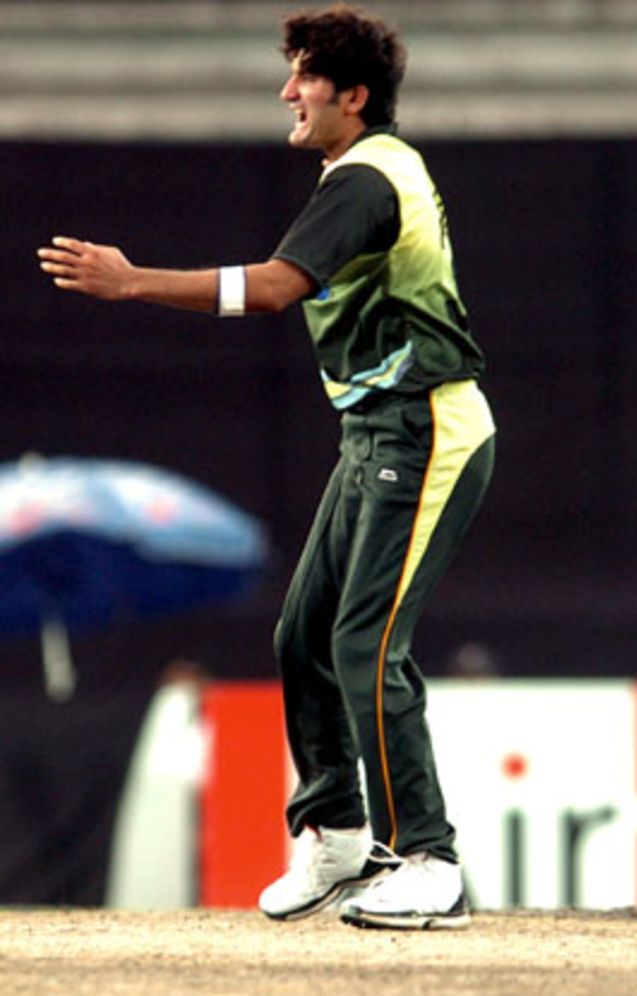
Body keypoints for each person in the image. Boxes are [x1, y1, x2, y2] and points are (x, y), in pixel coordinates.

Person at [38, 4, 493, 930]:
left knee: (365, 646)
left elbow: (276, 289)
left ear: (353, 96)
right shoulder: (356, 175)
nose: (287, 92)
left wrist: (134, 282)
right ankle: (334, 833)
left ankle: (430, 861)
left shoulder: (368, 176)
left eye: (304, 77)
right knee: (303, 635)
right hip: (376, 433)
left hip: (428, 428)